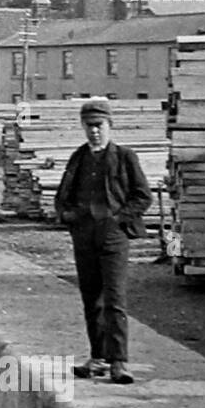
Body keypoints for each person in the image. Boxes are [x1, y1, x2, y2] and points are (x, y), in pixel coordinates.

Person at [54, 99, 152, 384]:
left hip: (114, 237)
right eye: (89, 126)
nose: (94, 132)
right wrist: (69, 217)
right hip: (84, 237)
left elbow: (142, 196)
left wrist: (119, 219)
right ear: (83, 127)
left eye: (99, 126)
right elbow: (63, 196)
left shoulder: (124, 157)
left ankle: (118, 361)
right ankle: (98, 357)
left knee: (115, 299)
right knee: (90, 299)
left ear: (110, 126)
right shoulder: (78, 158)